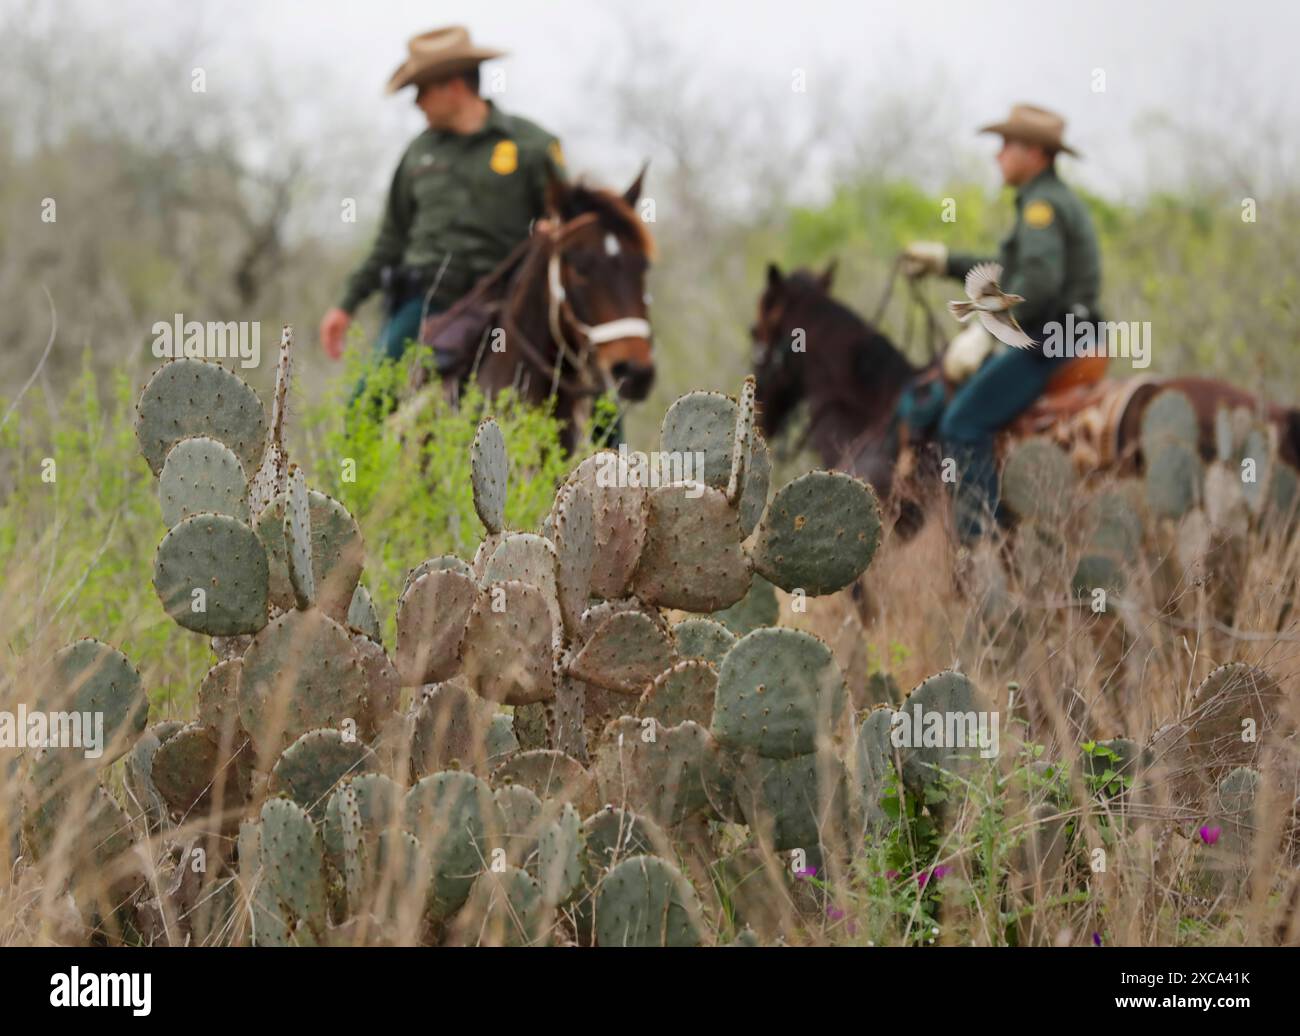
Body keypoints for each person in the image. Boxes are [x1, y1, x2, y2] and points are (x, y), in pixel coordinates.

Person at [319, 26, 566, 387]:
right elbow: (391, 240)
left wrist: (554, 230)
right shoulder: (419, 152)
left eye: (422, 90)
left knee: (591, 380)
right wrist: (346, 304)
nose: (416, 102)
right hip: (428, 304)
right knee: (366, 399)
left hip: (510, 303)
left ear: (453, 86)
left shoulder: (531, 145)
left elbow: (567, 221)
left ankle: (612, 446)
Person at [902, 103, 1101, 541]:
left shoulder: (1041, 207)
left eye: (1007, 145)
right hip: (1061, 331)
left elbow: (1040, 286)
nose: (998, 155)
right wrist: (944, 261)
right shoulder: (1043, 201)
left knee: (962, 424)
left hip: (1054, 337)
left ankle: (982, 551)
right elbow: (1015, 273)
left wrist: (984, 329)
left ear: (1035, 153)